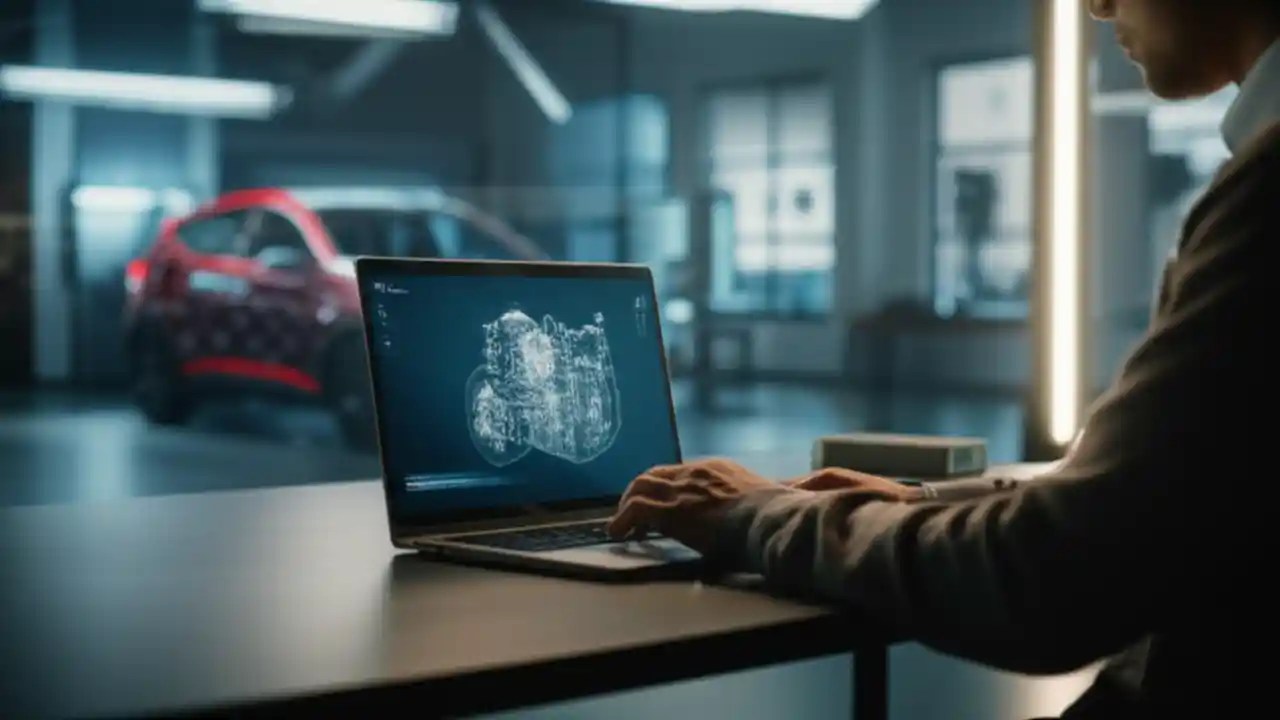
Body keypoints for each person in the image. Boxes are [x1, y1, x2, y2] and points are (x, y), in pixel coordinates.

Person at [607, 1, 1280, 717]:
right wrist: (933, 509)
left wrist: (755, 515)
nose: (1095, 5)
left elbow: (1054, 579)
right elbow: (1191, 508)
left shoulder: (1267, 195)